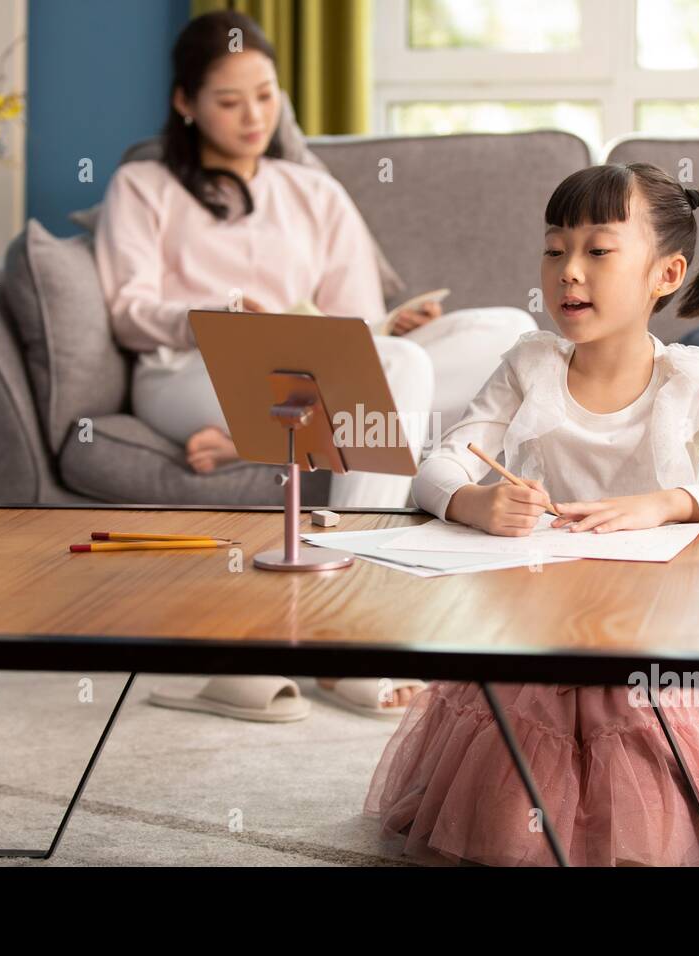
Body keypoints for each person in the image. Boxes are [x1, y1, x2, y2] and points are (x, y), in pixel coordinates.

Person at [362, 161, 699, 865]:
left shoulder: (688, 378)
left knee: (636, 752)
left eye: (599, 251)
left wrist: (669, 503)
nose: (569, 271)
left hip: (654, 630)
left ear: (665, 275)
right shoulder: (530, 364)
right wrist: (475, 502)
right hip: (544, 625)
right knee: (514, 770)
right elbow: (438, 466)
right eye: (554, 250)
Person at [94, 10, 535, 720]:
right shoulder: (144, 187)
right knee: (396, 373)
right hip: (193, 370)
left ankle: (266, 440)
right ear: (185, 102)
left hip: (317, 372)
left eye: (266, 96)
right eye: (230, 101)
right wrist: (218, 312)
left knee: (509, 334)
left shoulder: (314, 192)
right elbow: (125, 308)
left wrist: (391, 326)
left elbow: (353, 329)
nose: (253, 116)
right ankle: (349, 631)